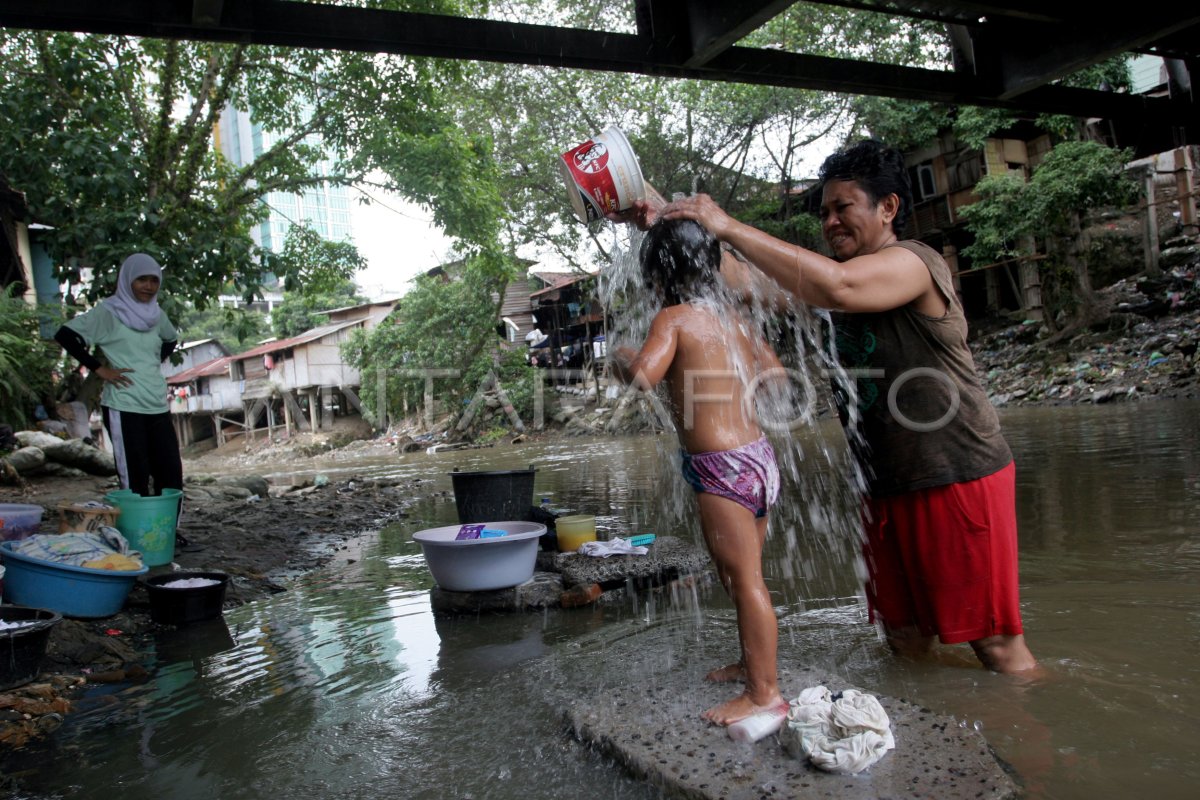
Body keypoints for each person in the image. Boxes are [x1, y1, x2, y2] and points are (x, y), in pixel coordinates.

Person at [649, 140, 1037, 674]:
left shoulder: (914, 263)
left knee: (994, 645)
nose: (830, 222)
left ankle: (1029, 723)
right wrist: (661, 215)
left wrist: (729, 224)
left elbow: (840, 287)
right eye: (825, 211)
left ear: (888, 207)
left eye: (842, 208)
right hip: (885, 481)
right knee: (904, 638)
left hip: (956, 472)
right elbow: (733, 276)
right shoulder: (824, 281)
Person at [611, 218, 790, 729]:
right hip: (757, 459)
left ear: (656, 277)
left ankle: (764, 694)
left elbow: (644, 377)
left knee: (745, 579)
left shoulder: (673, 319)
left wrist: (621, 356)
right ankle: (751, 664)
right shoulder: (735, 320)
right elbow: (776, 378)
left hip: (720, 470)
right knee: (739, 575)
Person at [54, 253, 183, 500]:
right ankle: (137, 524)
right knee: (135, 478)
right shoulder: (109, 312)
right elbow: (66, 336)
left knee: (171, 476)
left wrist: (150, 364)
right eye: (141, 280)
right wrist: (100, 369)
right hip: (124, 405)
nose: (148, 286)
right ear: (127, 280)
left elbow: (170, 339)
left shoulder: (156, 314)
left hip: (156, 403)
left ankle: (169, 524)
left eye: (154, 280)